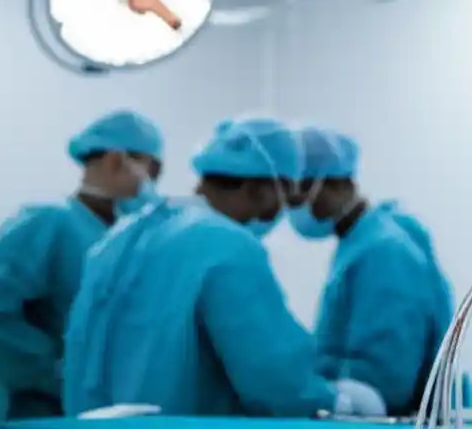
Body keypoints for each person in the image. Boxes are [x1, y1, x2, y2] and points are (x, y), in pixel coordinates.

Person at [63, 117, 383, 417]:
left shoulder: (119, 237)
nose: (282, 212)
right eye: (283, 197)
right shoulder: (227, 245)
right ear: (261, 188)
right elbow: (274, 379)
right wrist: (339, 403)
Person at [0, 110, 163, 423]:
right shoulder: (47, 222)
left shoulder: (125, 241)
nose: (154, 181)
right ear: (116, 161)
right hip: (28, 413)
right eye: (153, 168)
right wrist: (63, 374)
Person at [287, 126, 457, 416]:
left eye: (301, 189)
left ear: (339, 184)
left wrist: (324, 398)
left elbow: (384, 380)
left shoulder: (384, 251)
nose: (293, 204)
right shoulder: (359, 243)